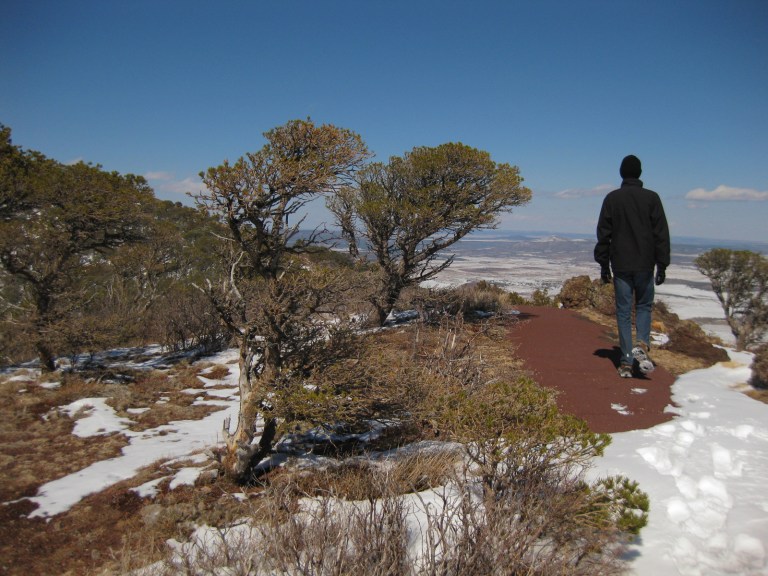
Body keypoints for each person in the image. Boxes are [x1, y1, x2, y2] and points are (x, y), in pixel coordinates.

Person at [594, 154, 670, 378]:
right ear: (640, 174)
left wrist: (603, 265)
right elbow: (661, 234)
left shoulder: (612, 199)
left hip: (621, 265)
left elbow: (603, 234)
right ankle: (643, 344)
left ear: (621, 174)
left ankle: (626, 361)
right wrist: (662, 264)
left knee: (624, 312)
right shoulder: (652, 198)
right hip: (645, 265)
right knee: (645, 306)